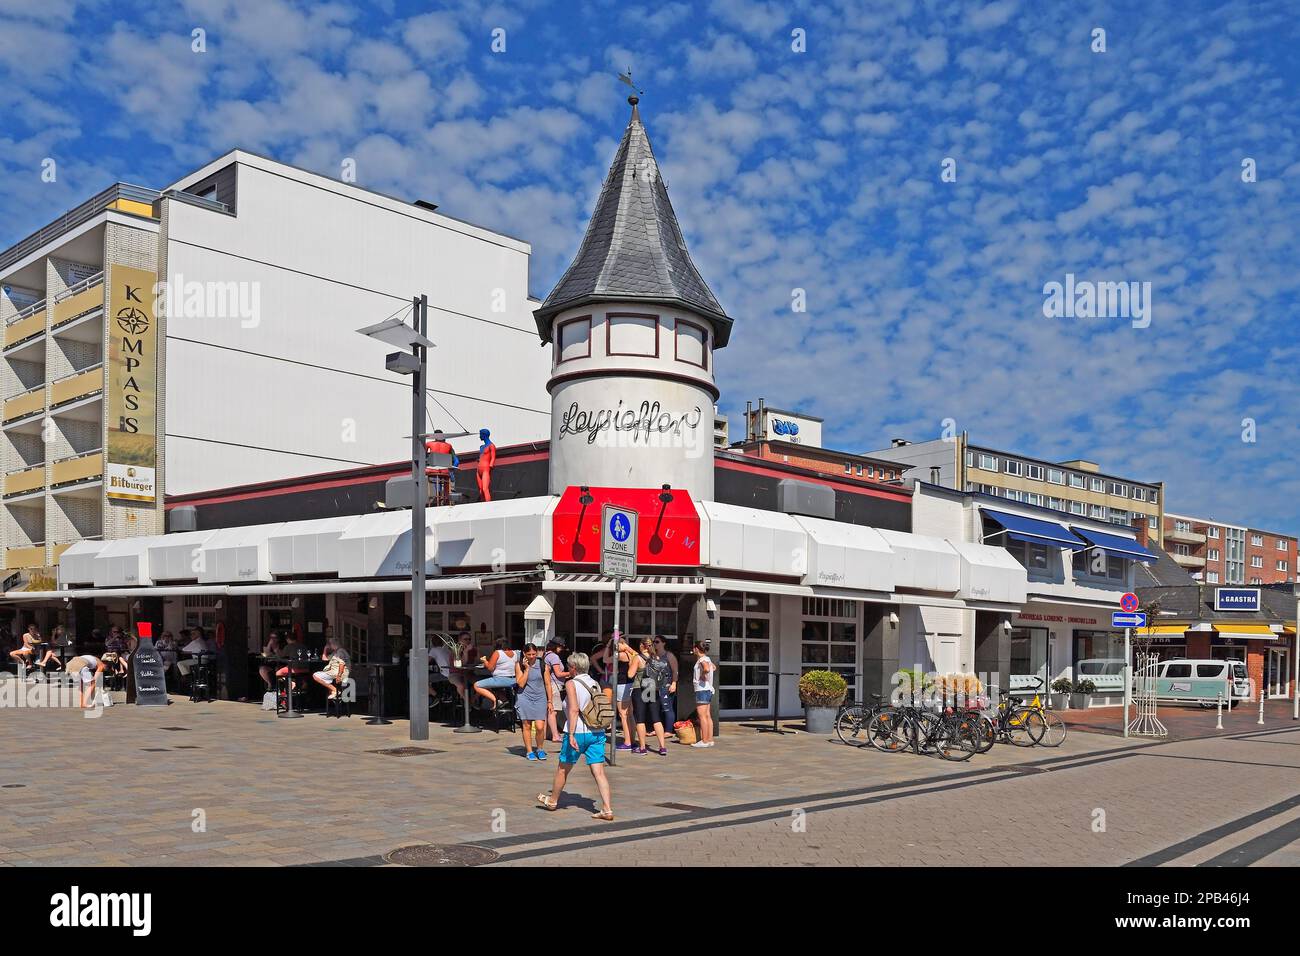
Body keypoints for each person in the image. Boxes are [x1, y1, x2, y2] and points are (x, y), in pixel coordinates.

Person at [536, 652, 613, 821]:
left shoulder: (571, 684)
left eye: (568, 666)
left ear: (573, 668)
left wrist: (570, 734)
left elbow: (573, 709)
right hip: (597, 732)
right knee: (599, 772)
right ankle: (607, 809)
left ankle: (553, 800)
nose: (567, 669)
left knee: (563, 769)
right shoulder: (595, 683)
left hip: (578, 732)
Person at [633, 638, 670, 755]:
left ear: (642, 645)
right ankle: (662, 747)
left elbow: (630, 674)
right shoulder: (656, 658)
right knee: (656, 719)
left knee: (640, 719)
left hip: (640, 688)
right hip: (653, 688)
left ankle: (643, 748)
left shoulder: (638, 658)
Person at [514, 644, 548, 760]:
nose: (532, 656)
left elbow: (547, 684)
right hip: (525, 697)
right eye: (529, 654)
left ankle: (540, 748)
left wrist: (550, 701)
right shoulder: (519, 665)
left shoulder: (543, 665)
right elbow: (521, 683)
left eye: (534, 654)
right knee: (526, 725)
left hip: (540, 697)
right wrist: (527, 669)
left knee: (540, 726)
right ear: (524, 654)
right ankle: (529, 751)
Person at [609, 634, 638, 751]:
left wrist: (608, 646)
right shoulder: (632, 654)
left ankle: (627, 742)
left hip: (622, 684)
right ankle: (632, 739)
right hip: (631, 683)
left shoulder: (620, 655)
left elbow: (606, 659)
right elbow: (636, 654)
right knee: (630, 713)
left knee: (623, 714)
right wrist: (628, 648)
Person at [473, 638, 518, 709]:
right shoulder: (514, 653)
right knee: (491, 685)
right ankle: (503, 699)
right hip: (513, 680)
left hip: (500, 680)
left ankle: (495, 700)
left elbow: (490, 668)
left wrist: (484, 661)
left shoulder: (498, 652)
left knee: (477, 685)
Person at [542, 637, 570, 744]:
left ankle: (546, 734)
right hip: (554, 686)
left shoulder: (546, 654)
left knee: (548, 711)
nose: (561, 649)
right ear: (556, 646)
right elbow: (558, 674)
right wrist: (571, 673)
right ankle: (555, 735)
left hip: (550, 685)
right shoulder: (554, 657)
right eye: (560, 646)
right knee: (553, 711)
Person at [691, 639, 716, 748]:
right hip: (708, 689)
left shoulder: (702, 660)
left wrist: (703, 675)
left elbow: (706, 668)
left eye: (694, 648)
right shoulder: (707, 658)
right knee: (707, 715)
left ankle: (704, 740)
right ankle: (710, 739)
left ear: (697, 649)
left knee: (702, 716)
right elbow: (713, 668)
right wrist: (706, 673)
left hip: (702, 690)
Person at [652, 635, 679, 735]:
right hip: (656, 686)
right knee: (657, 708)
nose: (655, 644)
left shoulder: (669, 656)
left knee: (667, 707)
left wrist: (674, 683)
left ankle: (668, 730)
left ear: (663, 643)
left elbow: (675, 671)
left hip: (666, 685)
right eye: (654, 642)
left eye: (657, 642)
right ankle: (658, 728)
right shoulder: (654, 656)